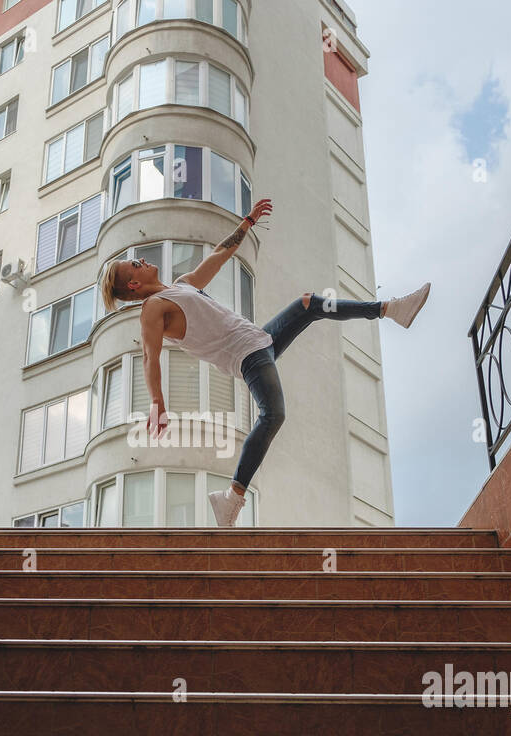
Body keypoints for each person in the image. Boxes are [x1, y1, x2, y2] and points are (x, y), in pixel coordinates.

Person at [99, 198, 430, 526]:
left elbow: (219, 255)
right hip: (247, 356)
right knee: (274, 414)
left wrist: (248, 222)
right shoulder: (154, 309)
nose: (141, 259)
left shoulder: (182, 285)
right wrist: (157, 401)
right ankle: (233, 497)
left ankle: (390, 310)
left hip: (261, 339)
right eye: (135, 264)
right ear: (133, 284)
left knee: (309, 303)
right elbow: (149, 355)